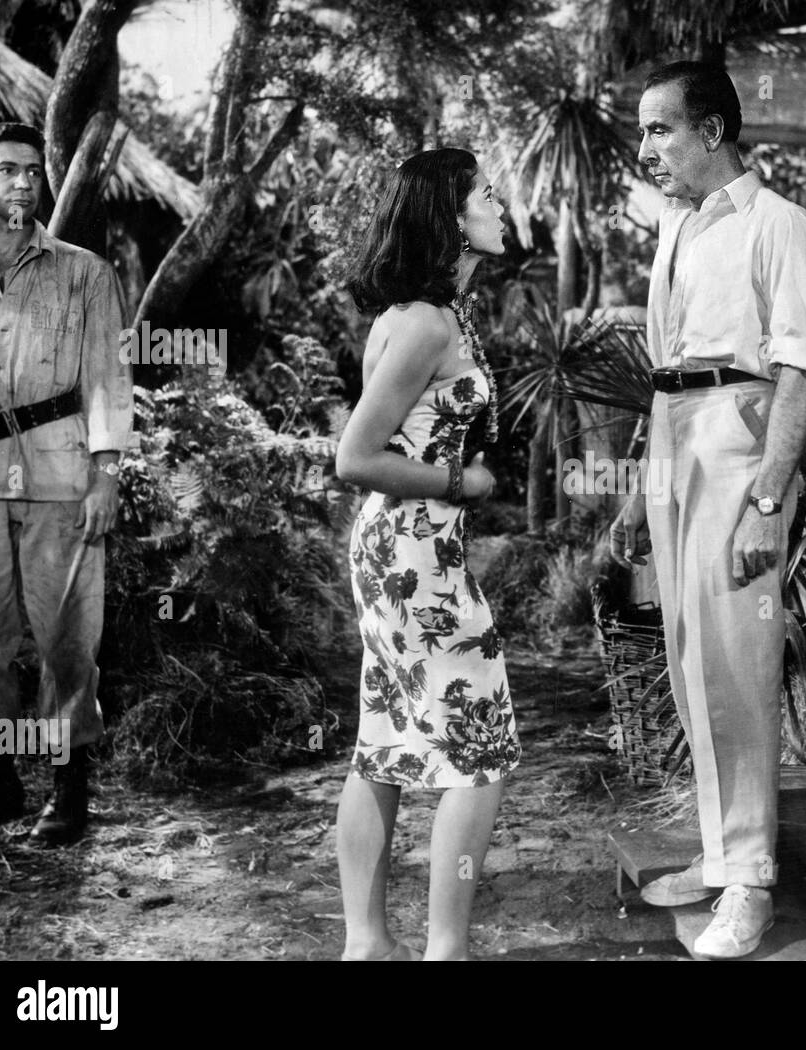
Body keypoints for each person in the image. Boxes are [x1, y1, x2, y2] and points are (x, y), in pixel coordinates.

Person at [610, 62, 806, 959]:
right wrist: (640, 487)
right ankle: (717, 853)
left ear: (711, 131)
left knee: (738, 660)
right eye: (643, 133)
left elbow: (801, 367)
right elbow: (668, 367)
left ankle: (751, 884)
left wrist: (768, 498)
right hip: (675, 436)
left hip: (741, 443)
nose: (647, 150)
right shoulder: (679, 227)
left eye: (660, 131)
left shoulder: (779, 225)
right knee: (691, 655)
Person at [335, 148, 519, 961]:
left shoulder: (436, 312)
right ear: (450, 218)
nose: (501, 203)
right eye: (486, 193)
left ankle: (367, 944)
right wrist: (464, 482)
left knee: (384, 738)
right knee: (480, 749)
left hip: (405, 548)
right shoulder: (425, 323)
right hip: (412, 550)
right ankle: (445, 950)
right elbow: (355, 455)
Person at [0, 122, 132, 845]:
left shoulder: (84, 273)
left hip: (62, 471)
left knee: (68, 640)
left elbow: (108, 377)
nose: (23, 184)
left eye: (33, 171)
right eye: (6, 171)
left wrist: (106, 473)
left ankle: (68, 790)